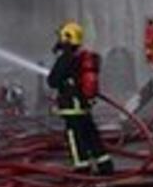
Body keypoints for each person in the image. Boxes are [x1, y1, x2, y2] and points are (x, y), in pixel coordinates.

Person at [48, 22, 114, 175]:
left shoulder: (66, 58)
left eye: (62, 37)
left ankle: (81, 167)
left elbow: (52, 81)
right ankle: (105, 164)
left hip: (71, 106)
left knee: (74, 136)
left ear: (67, 38)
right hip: (83, 104)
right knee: (90, 133)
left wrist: (60, 60)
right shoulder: (82, 56)